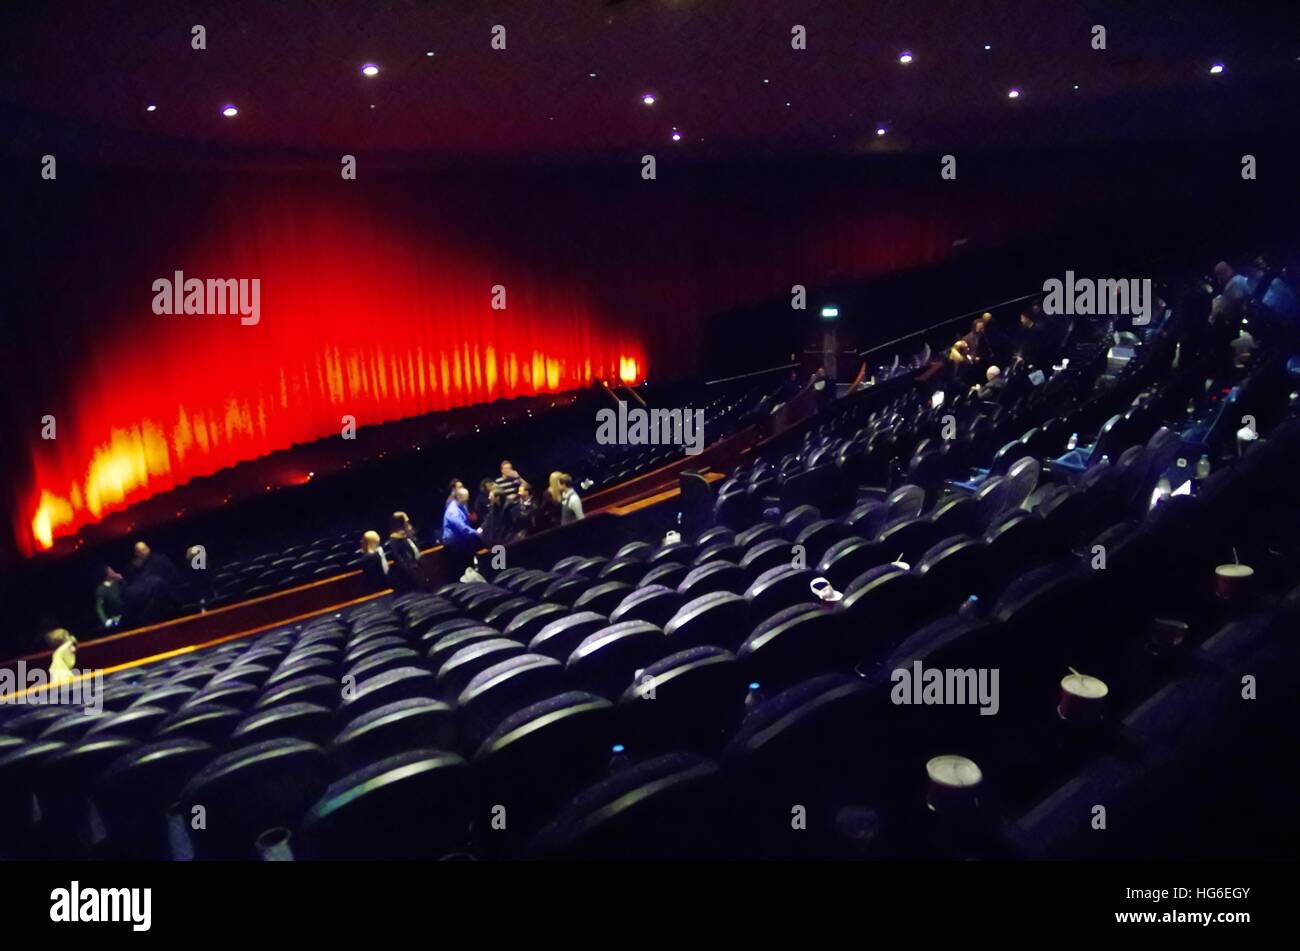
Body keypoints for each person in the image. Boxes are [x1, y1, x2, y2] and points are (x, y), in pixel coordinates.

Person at [441, 487, 482, 577]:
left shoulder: (461, 505)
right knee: (462, 569)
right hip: (453, 544)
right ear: (459, 497)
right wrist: (477, 533)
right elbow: (463, 529)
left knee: (469, 563)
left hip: (461, 541)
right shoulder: (453, 511)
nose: (467, 500)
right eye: (465, 498)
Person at [386, 512, 426, 592]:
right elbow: (402, 563)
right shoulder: (394, 542)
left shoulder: (406, 537)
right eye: (406, 521)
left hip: (418, 574)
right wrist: (414, 576)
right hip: (410, 581)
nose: (408, 523)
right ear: (400, 524)